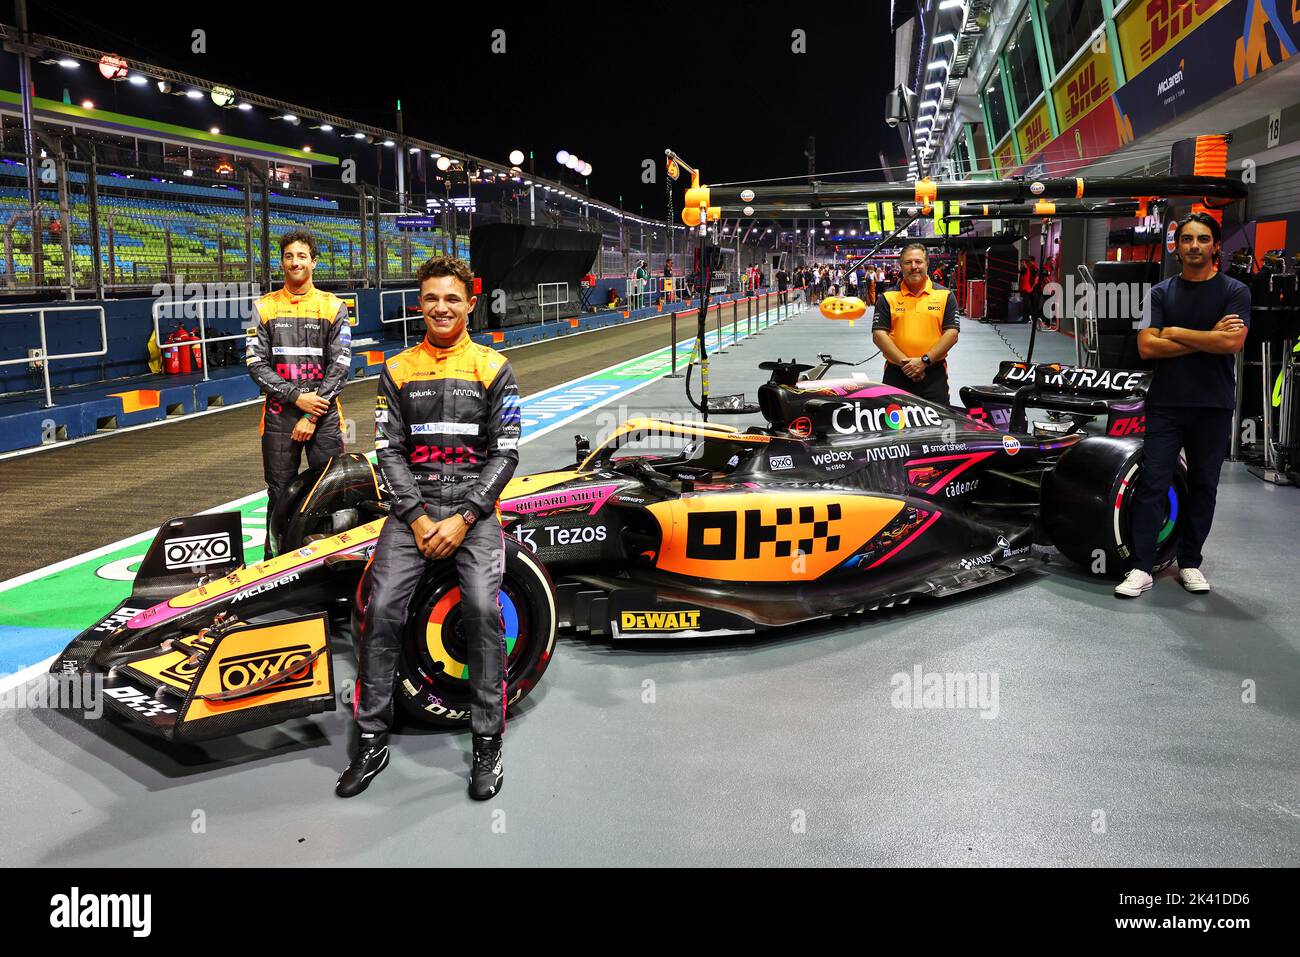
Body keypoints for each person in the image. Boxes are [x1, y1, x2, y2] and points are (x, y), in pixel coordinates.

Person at [337, 255, 521, 800]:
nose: (442, 307)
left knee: (485, 611)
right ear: (420, 305)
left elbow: (506, 453)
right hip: (410, 509)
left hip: (475, 510)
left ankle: (487, 741)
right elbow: (386, 451)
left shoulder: (494, 366)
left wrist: (465, 517)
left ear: (469, 304)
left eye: (452, 298)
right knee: (382, 607)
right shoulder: (397, 368)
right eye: (432, 298)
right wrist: (418, 518)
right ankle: (372, 737)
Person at [1115, 212, 1250, 598]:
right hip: (1167, 405)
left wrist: (1172, 332)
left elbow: (1232, 344)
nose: (1194, 246)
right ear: (1176, 247)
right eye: (1187, 239)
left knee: (1204, 486)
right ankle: (1141, 568)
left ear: (1216, 245)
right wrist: (1207, 336)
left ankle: (1190, 562)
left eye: (1203, 239)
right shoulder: (1159, 293)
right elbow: (1146, 347)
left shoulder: (1235, 292)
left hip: (1213, 405)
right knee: (1153, 484)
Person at [246, 231, 351, 540]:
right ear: (282, 263)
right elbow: (254, 362)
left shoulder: (333, 306)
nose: (295, 262)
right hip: (279, 415)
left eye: (302, 256)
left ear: (313, 263)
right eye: (289, 256)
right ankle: (274, 560)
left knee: (330, 490)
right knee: (279, 494)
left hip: (324, 415)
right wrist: (295, 397)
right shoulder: (262, 307)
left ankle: (330, 558)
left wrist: (311, 414)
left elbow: (342, 364)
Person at [872, 242, 960, 406]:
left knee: (938, 426)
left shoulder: (945, 295)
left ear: (927, 264)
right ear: (901, 266)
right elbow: (878, 335)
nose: (914, 266)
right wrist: (906, 364)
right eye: (908, 262)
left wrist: (924, 361)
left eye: (918, 261)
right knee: (894, 426)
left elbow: (952, 334)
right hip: (896, 373)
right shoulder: (887, 297)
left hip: (933, 374)